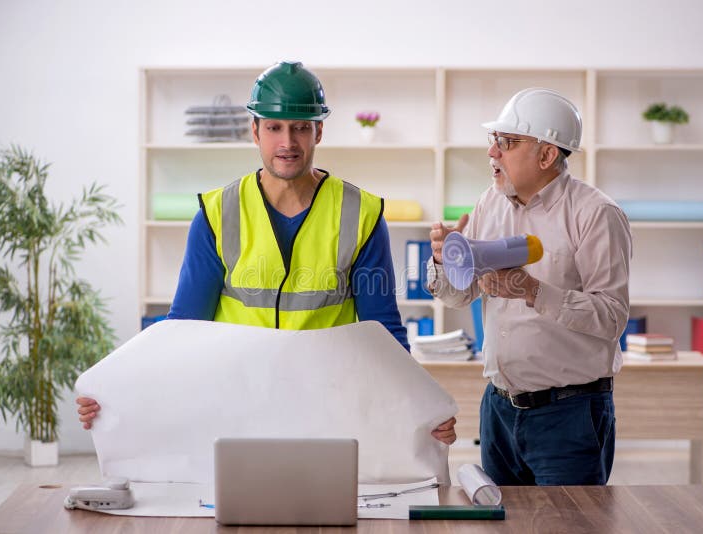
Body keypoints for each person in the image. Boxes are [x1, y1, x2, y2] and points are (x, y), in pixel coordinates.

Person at [78, 61, 456, 445]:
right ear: (254, 130)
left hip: (327, 409)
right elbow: (182, 330)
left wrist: (421, 406)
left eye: (300, 128)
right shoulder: (217, 214)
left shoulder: (360, 215)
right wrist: (118, 393)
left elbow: (383, 333)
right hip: (235, 408)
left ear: (319, 131)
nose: (287, 143)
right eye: (274, 127)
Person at [427, 88, 631, 485]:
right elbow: (459, 295)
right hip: (498, 410)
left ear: (547, 154)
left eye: (507, 142)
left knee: (568, 527)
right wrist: (444, 261)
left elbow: (611, 317)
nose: (493, 153)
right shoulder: (491, 203)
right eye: (494, 141)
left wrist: (533, 291)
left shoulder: (596, 214)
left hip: (569, 415)